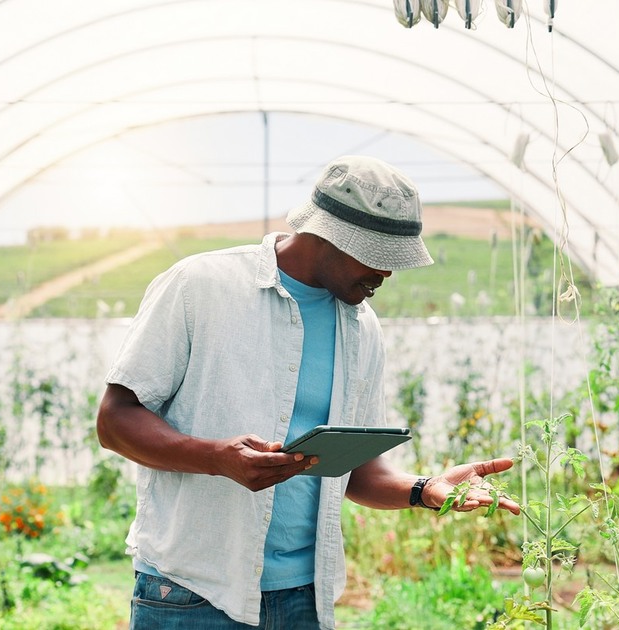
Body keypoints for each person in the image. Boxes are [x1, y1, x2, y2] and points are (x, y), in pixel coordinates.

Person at [96, 154, 521, 630]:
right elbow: (115, 422)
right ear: (328, 235)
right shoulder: (200, 286)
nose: (386, 275)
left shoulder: (362, 327)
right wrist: (217, 457)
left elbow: (355, 473)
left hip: (304, 597)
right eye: (377, 256)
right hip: (192, 591)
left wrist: (425, 490)